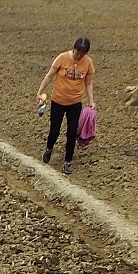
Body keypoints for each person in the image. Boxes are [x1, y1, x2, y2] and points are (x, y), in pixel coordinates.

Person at [36, 36, 96, 174]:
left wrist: (91, 101)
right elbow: (49, 75)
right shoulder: (62, 58)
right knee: (54, 130)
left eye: (82, 54)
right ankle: (49, 149)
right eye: (77, 52)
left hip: (75, 103)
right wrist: (40, 92)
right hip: (58, 101)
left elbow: (88, 83)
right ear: (73, 49)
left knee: (72, 132)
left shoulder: (87, 63)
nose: (79, 56)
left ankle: (68, 161)